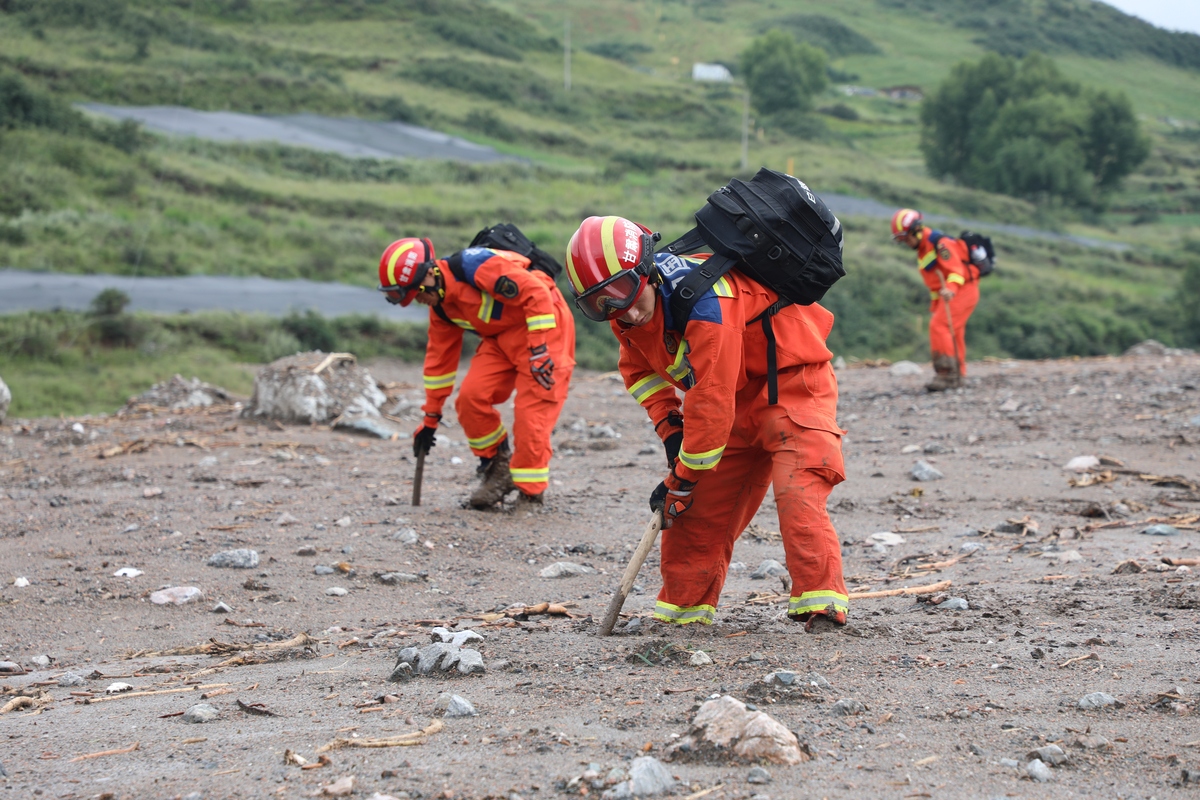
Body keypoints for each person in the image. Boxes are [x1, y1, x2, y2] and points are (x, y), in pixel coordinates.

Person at [564, 215, 848, 631]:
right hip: (732, 398)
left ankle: (822, 609)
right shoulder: (625, 314)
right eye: (598, 303)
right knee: (694, 515)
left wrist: (679, 479)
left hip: (793, 386)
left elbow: (711, 404)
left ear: (646, 270)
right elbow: (639, 372)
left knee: (798, 495)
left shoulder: (709, 303)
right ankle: (683, 615)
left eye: (622, 291)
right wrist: (670, 431)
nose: (617, 308)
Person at [378, 236, 575, 508]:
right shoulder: (442, 308)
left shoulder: (475, 265)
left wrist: (540, 349)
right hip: (502, 340)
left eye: (417, 294)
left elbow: (537, 293)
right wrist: (430, 419)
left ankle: (530, 496)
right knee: (471, 398)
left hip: (545, 331)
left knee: (531, 418)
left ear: (428, 275)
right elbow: (439, 364)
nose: (420, 301)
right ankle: (497, 467)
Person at [890, 208, 980, 391]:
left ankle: (946, 374)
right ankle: (959, 374)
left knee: (939, 326)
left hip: (963, 290)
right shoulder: (923, 251)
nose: (906, 243)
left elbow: (956, 271)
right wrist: (935, 304)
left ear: (916, 230)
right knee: (954, 332)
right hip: (951, 293)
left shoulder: (941, 244)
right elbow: (934, 283)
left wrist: (951, 289)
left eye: (906, 238)